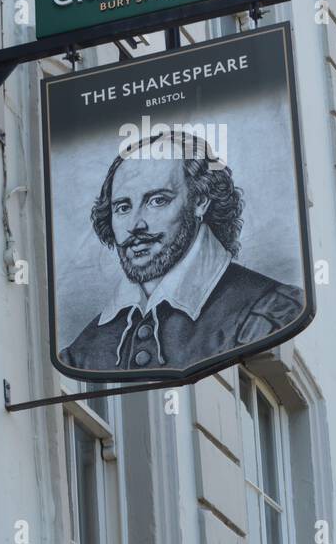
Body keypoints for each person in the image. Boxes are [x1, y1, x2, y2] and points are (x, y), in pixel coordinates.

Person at [61, 131, 303, 373]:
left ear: (200, 201)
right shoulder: (81, 353)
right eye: (123, 207)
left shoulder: (273, 310)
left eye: (157, 201)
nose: (135, 225)